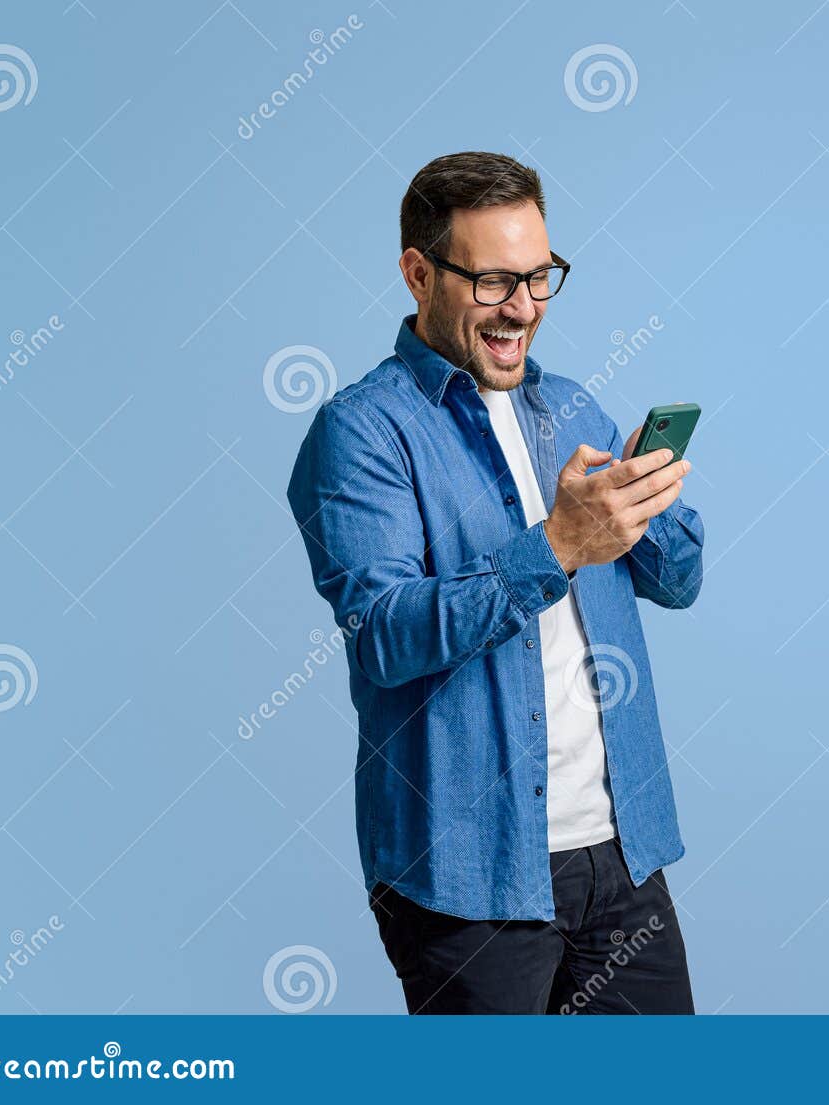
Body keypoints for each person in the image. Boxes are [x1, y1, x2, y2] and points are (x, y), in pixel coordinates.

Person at [286, 151, 704, 1014]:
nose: (523, 308)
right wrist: (556, 545)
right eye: (493, 282)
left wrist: (650, 505)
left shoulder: (574, 409)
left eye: (541, 276)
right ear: (417, 273)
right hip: (469, 875)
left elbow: (680, 581)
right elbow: (387, 633)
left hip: (620, 855)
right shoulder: (361, 432)